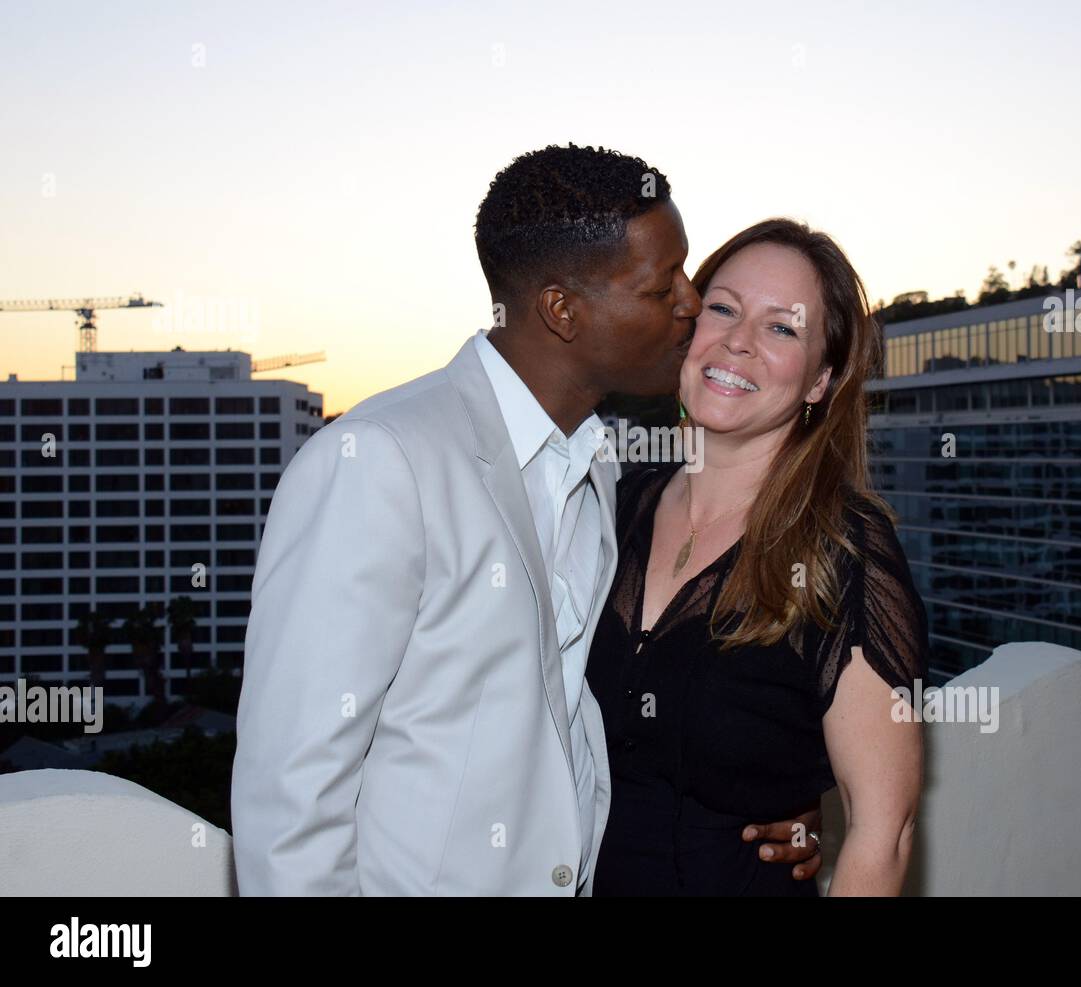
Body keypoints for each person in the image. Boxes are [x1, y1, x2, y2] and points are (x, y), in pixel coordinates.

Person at [231, 144, 823, 895]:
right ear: (561, 309)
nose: (690, 302)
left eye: (688, 273)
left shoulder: (608, 468)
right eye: (660, 285)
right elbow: (291, 801)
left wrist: (776, 801)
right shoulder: (380, 462)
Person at [587, 218, 930, 896]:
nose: (739, 341)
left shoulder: (845, 552)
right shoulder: (606, 504)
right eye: (724, 307)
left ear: (819, 381)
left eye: (783, 328)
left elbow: (883, 830)